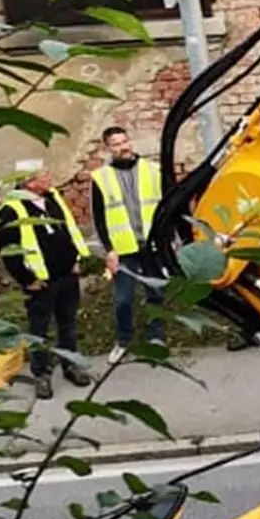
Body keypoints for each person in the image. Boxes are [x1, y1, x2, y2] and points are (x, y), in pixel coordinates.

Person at [0, 161, 95, 399]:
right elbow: (10, 249)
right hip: (40, 282)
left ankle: (70, 365)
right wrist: (26, 279)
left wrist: (76, 258)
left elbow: (68, 229)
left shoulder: (53, 199)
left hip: (66, 275)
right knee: (39, 329)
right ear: (29, 182)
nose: (49, 178)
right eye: (44, 176)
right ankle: (41, 374)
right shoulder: (12, 209)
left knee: (67, 324)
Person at [88, 124, 164, 352]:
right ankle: (123, 340)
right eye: (116, 145)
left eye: (124, 142)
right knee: (123, 299)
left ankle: (156, 336)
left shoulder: (153, 170)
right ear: (108, 149)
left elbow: (165, 206)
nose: (122, 147)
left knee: (156, 293)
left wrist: (169, 240)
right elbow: (99, 218)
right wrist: (108, 250)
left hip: (151, 244)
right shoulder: (101, 178)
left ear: (130, 141)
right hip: (123, 249)